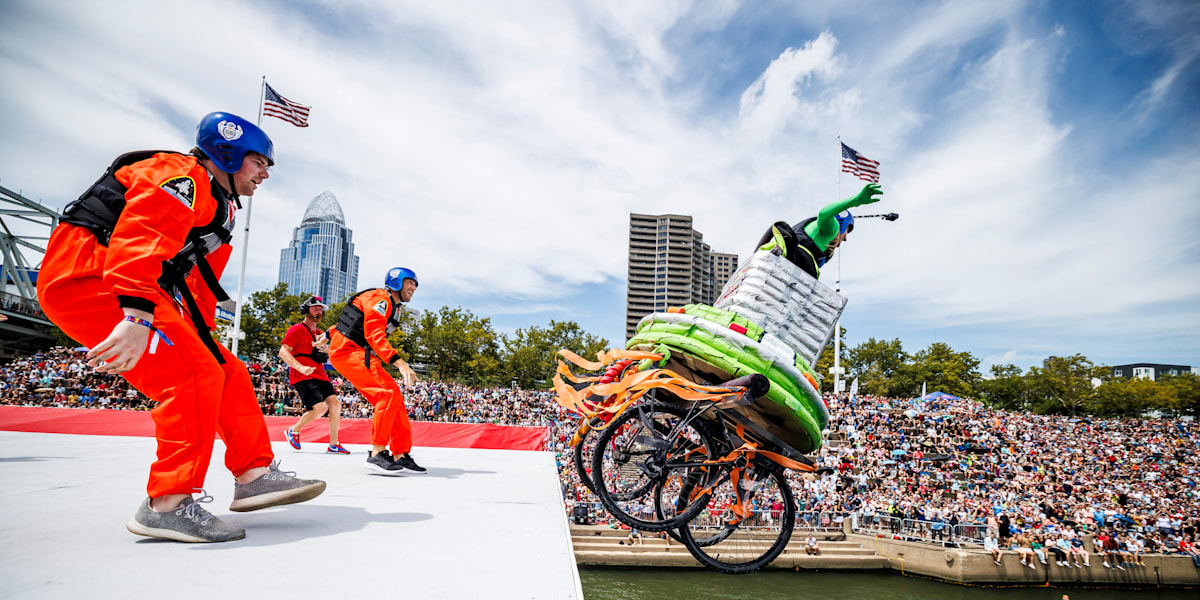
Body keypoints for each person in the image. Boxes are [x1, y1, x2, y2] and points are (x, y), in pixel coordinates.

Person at [37, 112, 326, 543]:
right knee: (193, 375)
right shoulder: (183, 176)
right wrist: (136, 314)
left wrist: (205, 338)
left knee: (226, 368)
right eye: (260, 162)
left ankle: (253, 474)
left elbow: (196, 287)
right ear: (227, 154)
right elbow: (140, 237)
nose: (266, 173)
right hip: (92, 279)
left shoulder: (218, 205)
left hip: (130, 284)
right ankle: (167, 504)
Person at [329, 268, 424, 475]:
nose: (414, 288)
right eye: (410, 283)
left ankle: (400, 454)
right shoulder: (380, 298)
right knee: (386, 395)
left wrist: (328, 334)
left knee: (395, 398)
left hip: (356, 351)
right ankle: (376, 454)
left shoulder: (392, 307)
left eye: (416, 285)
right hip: (348, 351)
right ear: (397, 282)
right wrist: (400, 364)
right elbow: (374, 335)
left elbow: (353, 320)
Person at [755, 182, 883, 280]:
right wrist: (855, 201)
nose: (845, 238)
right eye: (847, 232)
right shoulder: (832, 230)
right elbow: (824, 213)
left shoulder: (812, 234)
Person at [280, 295, 348, 454]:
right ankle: (294, 430)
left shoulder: (319, 334)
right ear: (306, 310)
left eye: (321, 309)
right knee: (320, 408)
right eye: (315, 307)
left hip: (320, 374)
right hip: (303, 375)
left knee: (335, 405)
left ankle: (333, 444)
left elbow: (330, 351)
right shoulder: (296, 329)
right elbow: (283, 352)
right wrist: (301, 367)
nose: (319, 310)